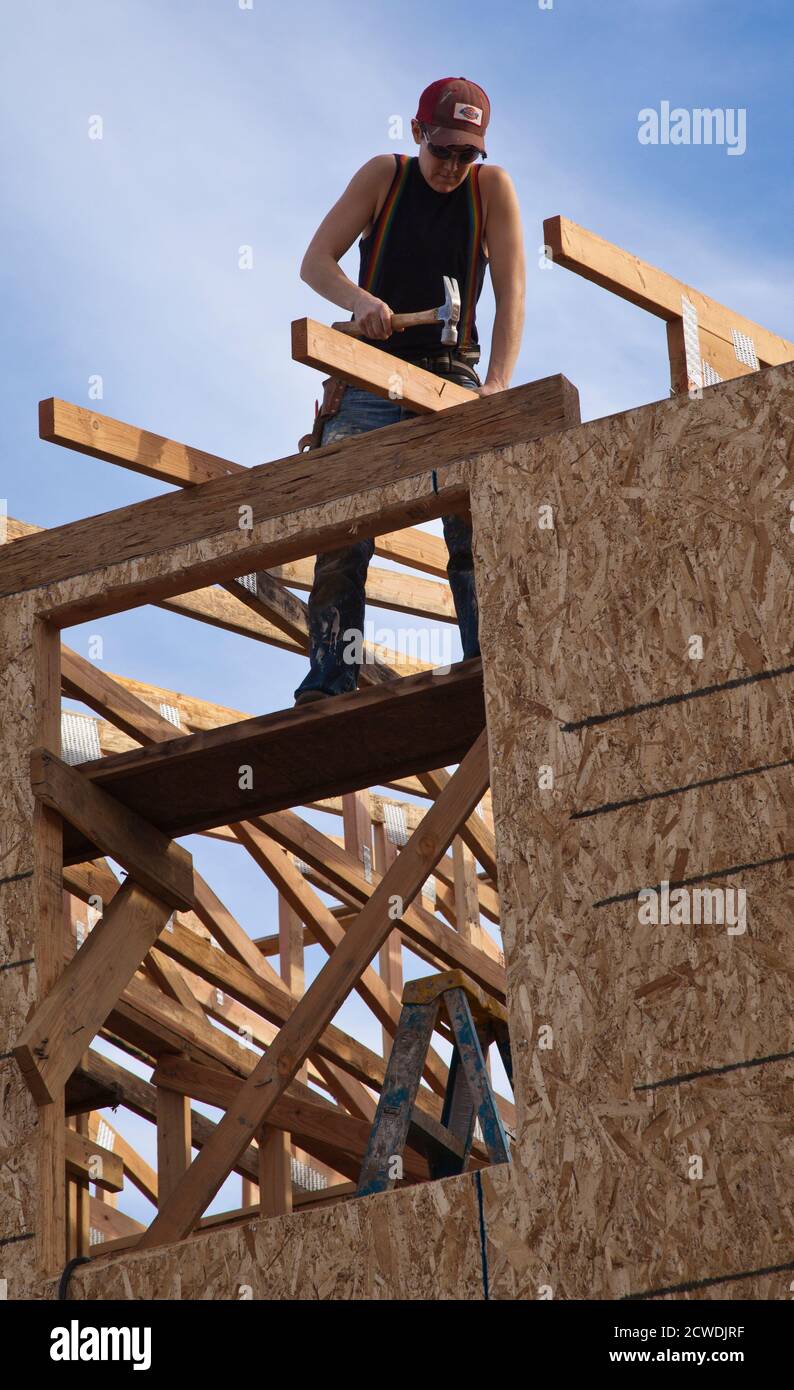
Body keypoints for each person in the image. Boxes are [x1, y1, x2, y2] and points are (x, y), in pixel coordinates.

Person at [294, 76, 525, 705]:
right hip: (367, 374)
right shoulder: (383, 176)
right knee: (341, 528)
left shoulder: (492, 190)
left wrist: (498, 385)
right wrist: (361, 301)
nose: (452, 166)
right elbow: (316, 262)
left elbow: (511, 294)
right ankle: (329, 682)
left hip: (449, 378)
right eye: (442, 150)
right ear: (417, 132)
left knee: (473, 523)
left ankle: (488, 665)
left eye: (465, 154)